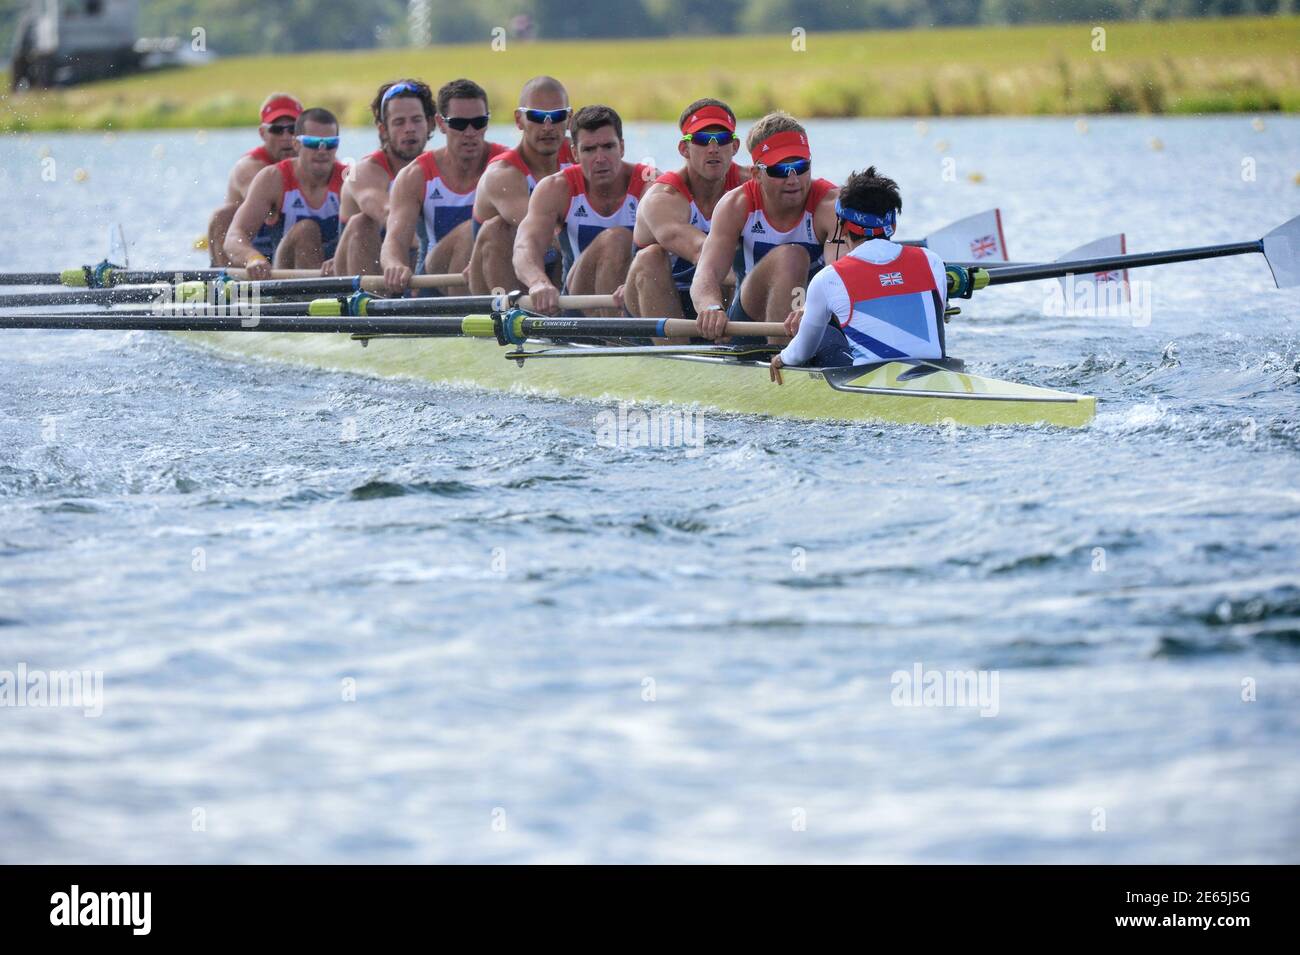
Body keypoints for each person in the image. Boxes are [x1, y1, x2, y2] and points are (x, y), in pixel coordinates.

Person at [770, 166, 951, 382]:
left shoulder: (829, 278)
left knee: (827, 334)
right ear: (892, 224)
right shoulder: (931, 261)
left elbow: (802, 353)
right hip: (938, 373)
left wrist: (781, 358)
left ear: (842, 226)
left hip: (872, 381)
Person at [690, 112, 839, 340]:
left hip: (814, 319)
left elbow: (841, 276)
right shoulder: (736, 205)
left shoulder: (831, 206)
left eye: (801, 167)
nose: (793, 180)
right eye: (779, 170)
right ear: (756, 174)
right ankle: (782, 360)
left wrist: (811, 309)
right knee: (792, 256)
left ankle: (791, 358)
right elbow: (706, 273)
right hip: (751, 322)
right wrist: (710, 307)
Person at [512, 105, 655, 316]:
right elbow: (525, 246)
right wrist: (538, 283)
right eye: (589, 150)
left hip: (634, 292)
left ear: (622, 148)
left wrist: (635, 284)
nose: (600, 159)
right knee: (615, 239)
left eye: (608, 147)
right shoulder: (556, 188)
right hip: (578, 300)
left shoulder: (650, 185)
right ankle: (618, 340)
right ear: (574, 153)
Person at [625, 98, 748, 321]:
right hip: (656, 304)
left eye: (722, 139)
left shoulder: (753, 187)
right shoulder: (662, 198)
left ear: (735, 146)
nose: (713, 148)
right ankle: (672, 351)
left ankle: (729, 339)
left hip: (719, 302)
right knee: (650, 257)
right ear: (685, 149)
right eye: (702, 139)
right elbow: (702, 252)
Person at [381, 78, 506, 293]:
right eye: (459, 124)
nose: (469, 132)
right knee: (470, 230)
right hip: (432, 279)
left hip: (487, 272)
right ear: (440, 124)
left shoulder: (506, 165)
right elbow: (394, 240)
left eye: (478, 123)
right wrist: (394, 265)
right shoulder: (415, 175)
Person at [467, 75, 574, 295]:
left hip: (557, 267)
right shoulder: (503, 174)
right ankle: (514, 318)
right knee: (497, 228)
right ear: (519, 120)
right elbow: (541, 235)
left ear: (569, 119)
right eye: (536, 116)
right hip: (498, 279)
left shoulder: (587, 154)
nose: (548, 126)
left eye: (557, 116)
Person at [223, 108, 347, 279]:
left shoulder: (349, 177)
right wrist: (252, 258)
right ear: (296, 144)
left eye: (330, 143)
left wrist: (341, 259)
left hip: (336, 270)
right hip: (285, 268)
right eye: (312, 142)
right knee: (306, 230)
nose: (322, 150)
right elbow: (234, 236)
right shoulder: (273, 178)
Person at [333, 79, 434, 277]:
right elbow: (390, 217)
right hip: (368, 274)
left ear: (430, 123)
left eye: (416, 120)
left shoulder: (439, 169)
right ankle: (371, 306)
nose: (409, 128)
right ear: (383, 129)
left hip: (412, 268)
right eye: (399, 122)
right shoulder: (362, 172)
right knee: (361, 223)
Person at [207, 93, 302, 267]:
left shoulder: (318, 160)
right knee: (223, 215)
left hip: (292, 244)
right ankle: (226, 283)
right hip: (249, 250)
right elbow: (273, 209)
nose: (286, 136)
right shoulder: (248, 167)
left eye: (293, 129)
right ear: (262, 133)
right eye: (277, 129)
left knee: (307, 230)